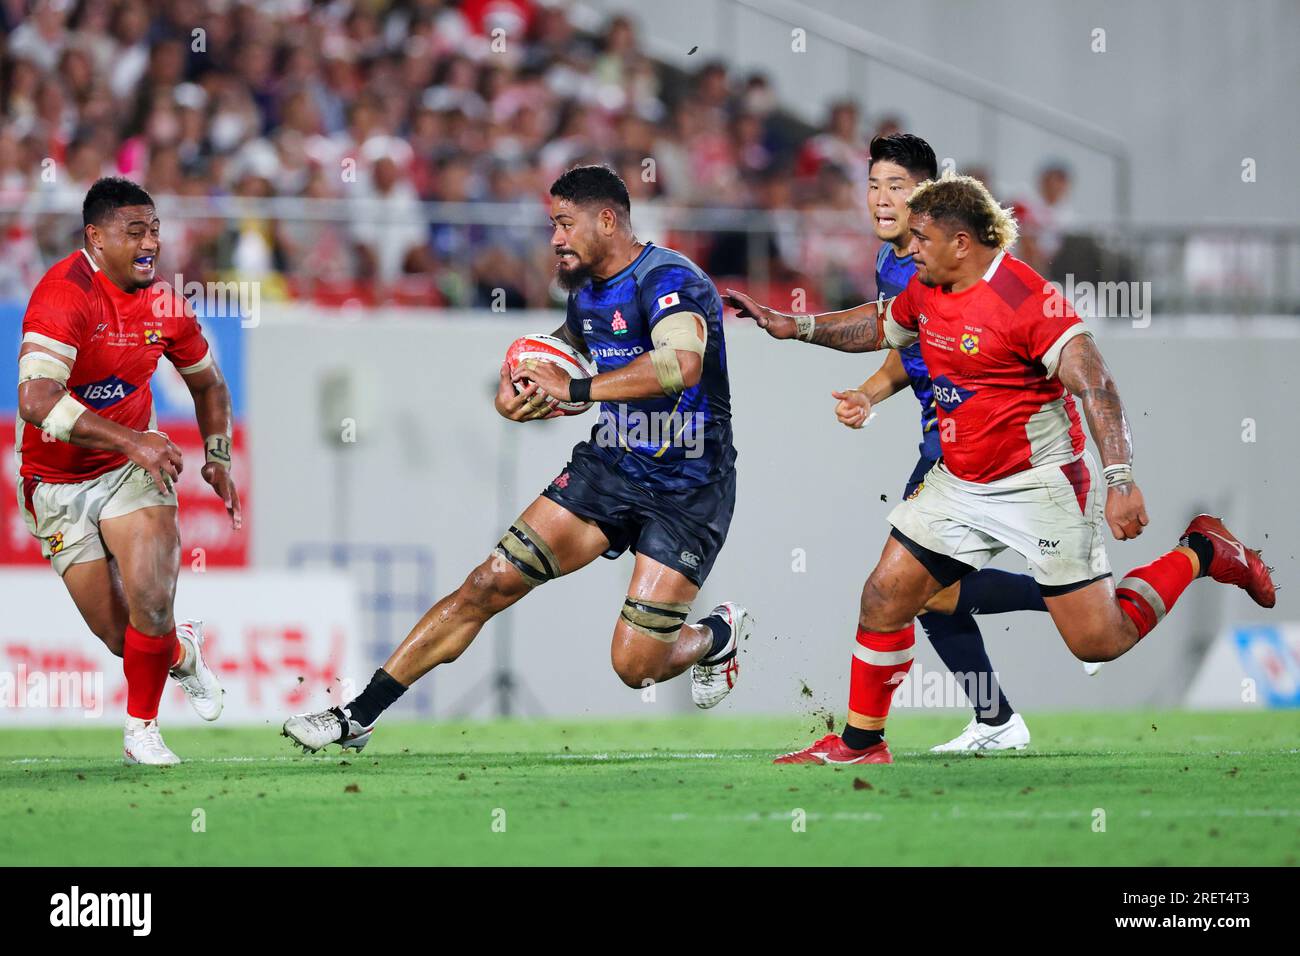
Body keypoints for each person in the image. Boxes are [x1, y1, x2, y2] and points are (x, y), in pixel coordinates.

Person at [729, 174, 1274, 765]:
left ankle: (1202, 550)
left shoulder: (1026, 299)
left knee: (1101, 639)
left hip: (1042, 482)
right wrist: (797, 326)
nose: (909, 249)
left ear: (962, 242)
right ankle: (863, 743)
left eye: (920, 238)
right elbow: (882, 324)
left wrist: (1119, 479)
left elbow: (1096, 384)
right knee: (886, 596)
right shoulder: (929, 285)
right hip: (959, 482)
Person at [283, 165, 751, 753]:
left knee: (637, 666)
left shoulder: (669, 279)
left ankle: (717, 636)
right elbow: (566, 353)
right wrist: (520, 394)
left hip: (690, 484)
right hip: (610, 468)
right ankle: (358, 715)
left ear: (607, 220)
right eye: (552, 225)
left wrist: (576, 391)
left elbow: (680, 365)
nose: (555, 238)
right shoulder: (585, 289)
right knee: (487, 582)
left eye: (564, 223)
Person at [733, 134, 1059, 754]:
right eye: (873, 185)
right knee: (924, 595)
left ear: (927, 198)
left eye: (897, 187)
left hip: (977, 442)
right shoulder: (893, 263)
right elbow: (905, 344)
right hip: (942, 439)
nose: (882, 200)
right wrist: (869, 393)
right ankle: (997, 714)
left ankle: (1060, 605)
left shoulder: (949, 260)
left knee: (906, 591)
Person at [16, 177, 240, 765]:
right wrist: (132, 438)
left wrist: (217, 455)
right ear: (95, 236)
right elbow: (37, 401)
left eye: (155, 229)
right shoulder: (63, 294)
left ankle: (141, 731)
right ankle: (180, 652)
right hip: (57, 482)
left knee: (151, 600)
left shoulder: (165, 303)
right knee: (123, 636)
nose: (150, 243)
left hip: (129, 469)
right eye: (134, 230)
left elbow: (209, 384)